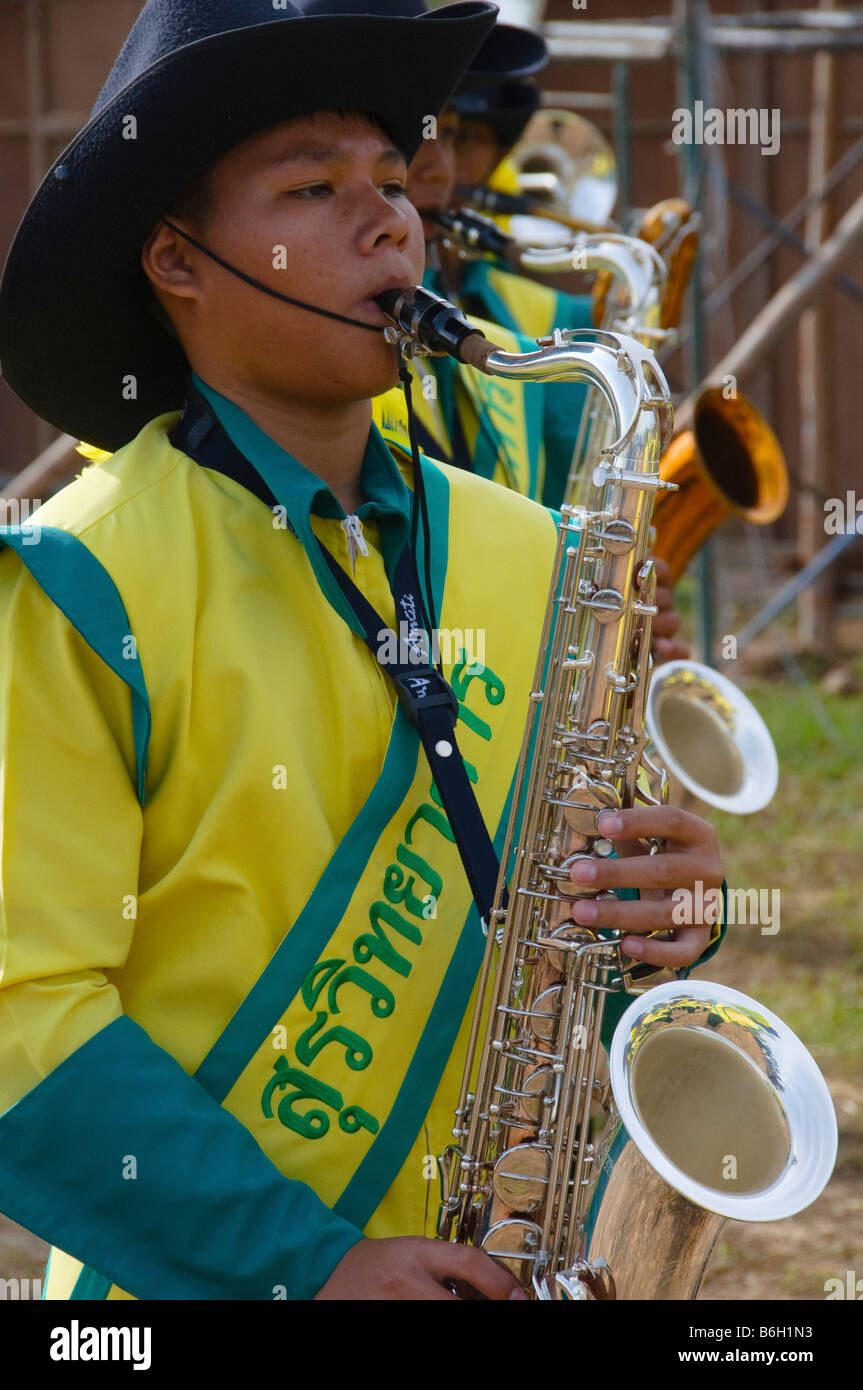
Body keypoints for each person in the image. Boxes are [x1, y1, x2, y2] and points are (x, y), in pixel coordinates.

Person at [0, 0, 723, 1302]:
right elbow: (18, 1021)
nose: (394, 217)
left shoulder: (537, 550)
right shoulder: (77, 585)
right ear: (175, 259)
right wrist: (307, 1266)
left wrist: (662, 922)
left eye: (396, 178)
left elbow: (573, 938)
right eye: (316, 186)